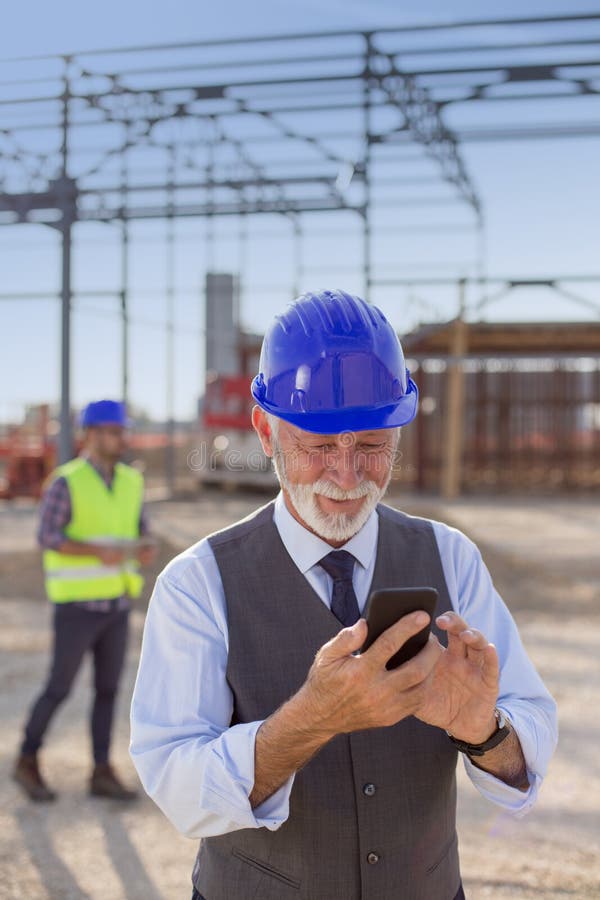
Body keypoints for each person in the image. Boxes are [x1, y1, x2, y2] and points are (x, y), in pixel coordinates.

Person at [130, 290, 557, 900]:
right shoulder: (197, 583)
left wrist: (483, 730)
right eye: (320, 445)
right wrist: (310, 721)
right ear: (265, 430)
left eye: (372, 444)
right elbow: (175, 785)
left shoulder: (451, 558)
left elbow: (529, 744)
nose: (349, 476)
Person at [14, 399, 157, 803]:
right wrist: (95, 553)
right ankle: (26, 760)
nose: (121, 438)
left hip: (115, 604)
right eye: (114, 431)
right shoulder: (66, 481)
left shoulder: (132, 481)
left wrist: (143, 549)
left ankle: (101, 771)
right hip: (77, 608)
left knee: (108, 691)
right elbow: (47, 537)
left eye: (122, 431)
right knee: (59, 688)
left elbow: (139, 529)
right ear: (90, 435)